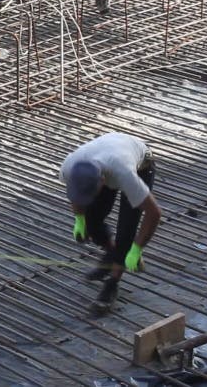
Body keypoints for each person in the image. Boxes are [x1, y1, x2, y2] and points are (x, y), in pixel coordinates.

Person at [60, 132, 161, 314]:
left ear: (103, 182)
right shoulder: (69, 168)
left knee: (126, 231)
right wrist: (80, 221)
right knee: (93, 221)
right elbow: (75, 196)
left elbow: (154, 214)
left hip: (140, 166)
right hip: (109, 153)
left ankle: (112, 283)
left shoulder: (124, 173)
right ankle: (112, 255)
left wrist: (136, 249)